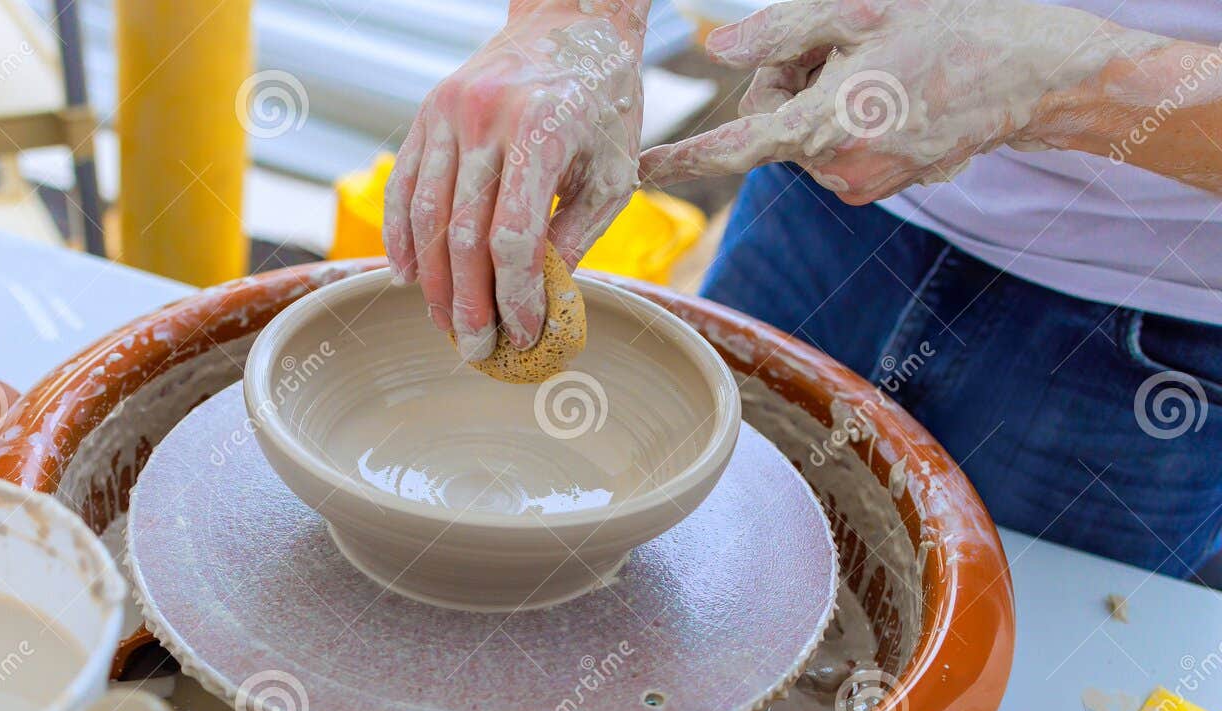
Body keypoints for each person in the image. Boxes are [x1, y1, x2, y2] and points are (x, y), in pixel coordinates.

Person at [384, 0, 1222, 577]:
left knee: (996, 694)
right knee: (693, 572)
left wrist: (1057, 77)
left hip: (1151, 335)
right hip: (822, 170)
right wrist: (576, 25)